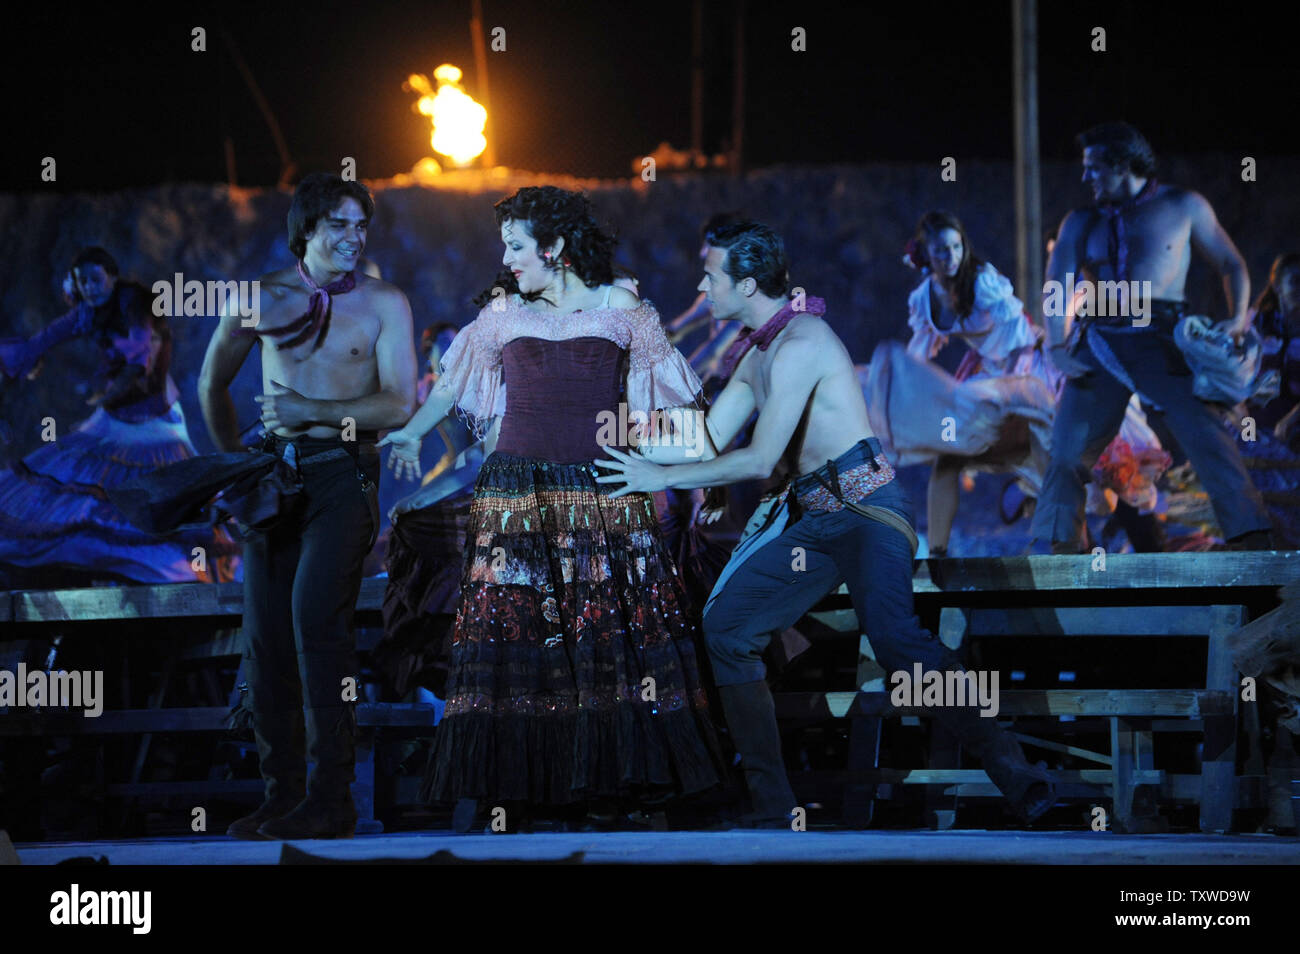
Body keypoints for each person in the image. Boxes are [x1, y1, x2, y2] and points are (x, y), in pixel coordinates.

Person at [597, 220, 1055, 826]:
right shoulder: (758, 354)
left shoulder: (802, 342)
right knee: (727, 628)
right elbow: (705, 435)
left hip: (868, 511)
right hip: (813, 521)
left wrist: (661, 478)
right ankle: (770, 805)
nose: (702, 289)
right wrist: (612, 434)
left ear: (749, 283)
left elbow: (759, 457)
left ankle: (1021, 778)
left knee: (897, 644)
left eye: (710, 277)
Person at [378, 186, 722, 828]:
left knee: (603, 637)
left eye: (515, 245)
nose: (506, 258)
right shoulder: (504, 313)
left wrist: (664, 466)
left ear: (555, 246)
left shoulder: (621, 306)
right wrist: (411, 430)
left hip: (601, 490)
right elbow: (454, 383)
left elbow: (675, 402)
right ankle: (529, 788)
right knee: (524, 638)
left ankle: (613, 787)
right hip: (516, 495)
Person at [200, 173, 418, 839]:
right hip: (274, 481)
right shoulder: (261, 298)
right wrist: (238, 465)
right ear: (306, 232)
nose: (354, 239)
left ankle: (331, 798)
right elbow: (212, 380)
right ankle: (282, 794)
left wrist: (310, 411)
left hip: (342, 478)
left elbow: (398, 402)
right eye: (339, 226)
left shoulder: (385, 303)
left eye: (361, 226)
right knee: (265, 642)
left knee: (314, 625)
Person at [1033, 121, 1273, 552]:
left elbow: (1231, 264)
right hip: (1099, 341)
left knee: (1208, 440)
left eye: (1094, 168)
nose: (1085, 177)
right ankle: (1056, 553)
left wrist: (1236, 319)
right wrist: (1055, 344)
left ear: (1123, 164)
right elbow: (1057, 283)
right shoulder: (1079, 221)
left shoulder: (1183, 205)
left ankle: (1253, 545)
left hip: (1161, 337)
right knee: (1067, 452)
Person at [0, 247, 236, 585]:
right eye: (83, 282)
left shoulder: (135, 306)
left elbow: (138, 363)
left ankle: (167, 571)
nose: (90, 288)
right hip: (116, 417)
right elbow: (54, 333)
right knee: (86, 487)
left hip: (155, 420)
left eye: (96, 280)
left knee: (161, 498)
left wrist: (105, 397)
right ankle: (103, 567)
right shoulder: (90, 311)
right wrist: (22, 357)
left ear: (111, 277)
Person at [1238, 253, 1300, 546]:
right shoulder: (1259, 323)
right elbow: (1240, 379)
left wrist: (1292, 417)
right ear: (1276, 284)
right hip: (1258, 424)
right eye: (1295, 282)